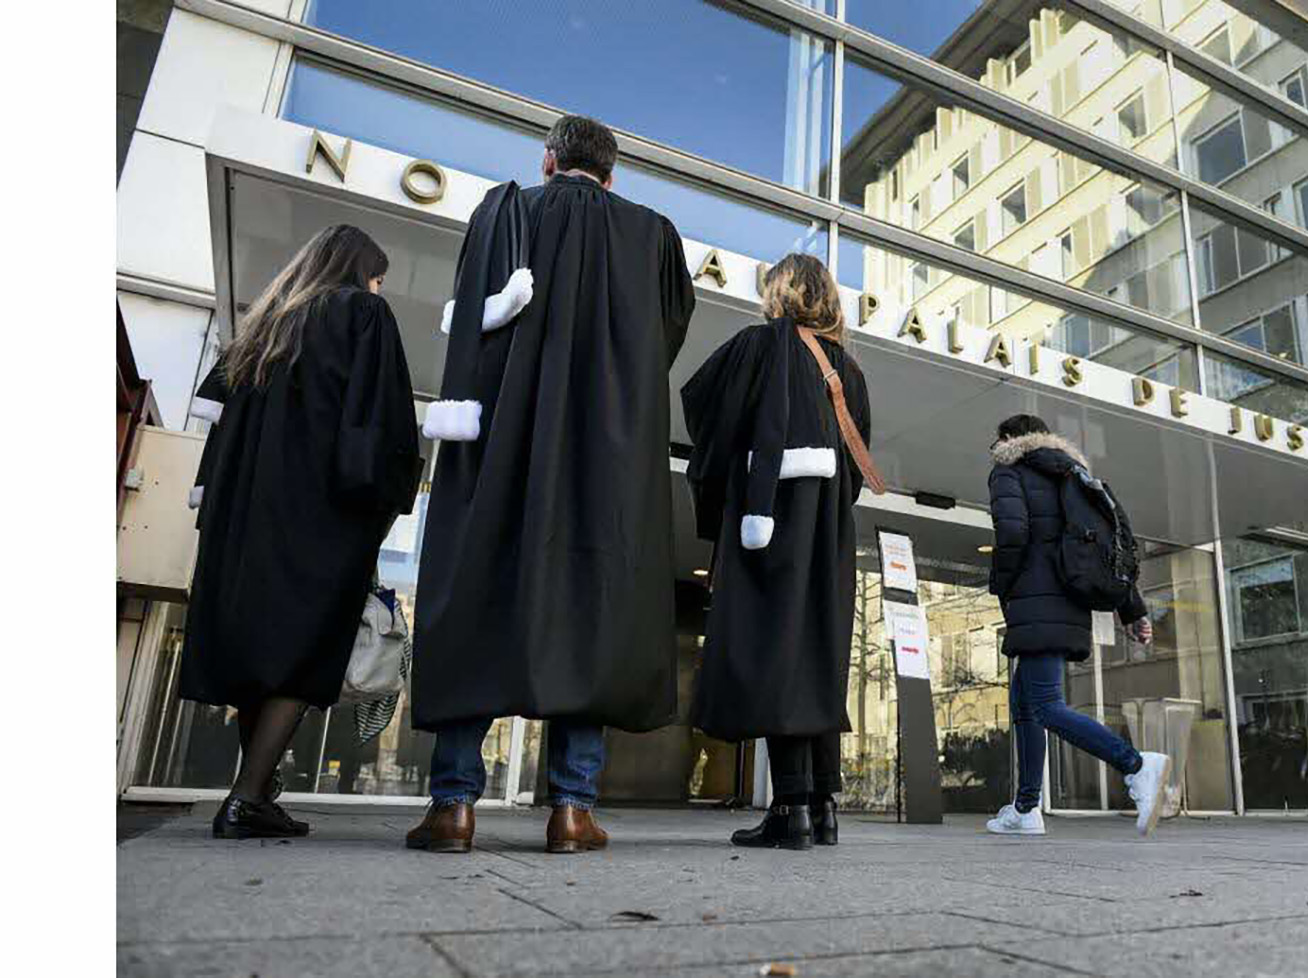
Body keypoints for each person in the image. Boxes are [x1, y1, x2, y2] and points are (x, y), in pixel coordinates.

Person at [408, 114, 695, 854]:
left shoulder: (504, 210)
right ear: (612, 171)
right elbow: (665, 335)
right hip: (604, 448)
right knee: (592, 605)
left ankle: (453, 807)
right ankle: (571, 809)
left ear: (547, 161)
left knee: (476, 590)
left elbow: (474, 314)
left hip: (502, 436)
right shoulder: (653, 233)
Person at [180, 224, 421, 839]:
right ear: (360, 269)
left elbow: (221, 430)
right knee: (303, 645)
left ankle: (255, 789)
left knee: (258, 645)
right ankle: (247, 796)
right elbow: (380, 419)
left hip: (242, 515)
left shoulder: (265, 325)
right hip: (318, 510)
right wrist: (384, 503)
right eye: (378, 274)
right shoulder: (363, 314)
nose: (378, 286)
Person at [682, 254, 876, 850]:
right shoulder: (850, 369)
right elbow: (858, 463)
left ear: (779, 292)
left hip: (771, 517)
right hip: (827, 532)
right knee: (816, 654)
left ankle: (789, 807)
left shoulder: (758, 345)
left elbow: (706, 410)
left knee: (776, 650)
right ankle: (822, 807)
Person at [983, 414, 1170, 837]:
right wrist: (1132, 609)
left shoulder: (1008, 470)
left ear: (1008, 439)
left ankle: (1137, 765)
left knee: (1046, 705)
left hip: (1035, 601)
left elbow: (1012, 531)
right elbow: (1109, 549)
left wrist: (1001, 584)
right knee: (1026, 707)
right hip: (1069, 602)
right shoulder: (1075, 475)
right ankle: (1026, 808)